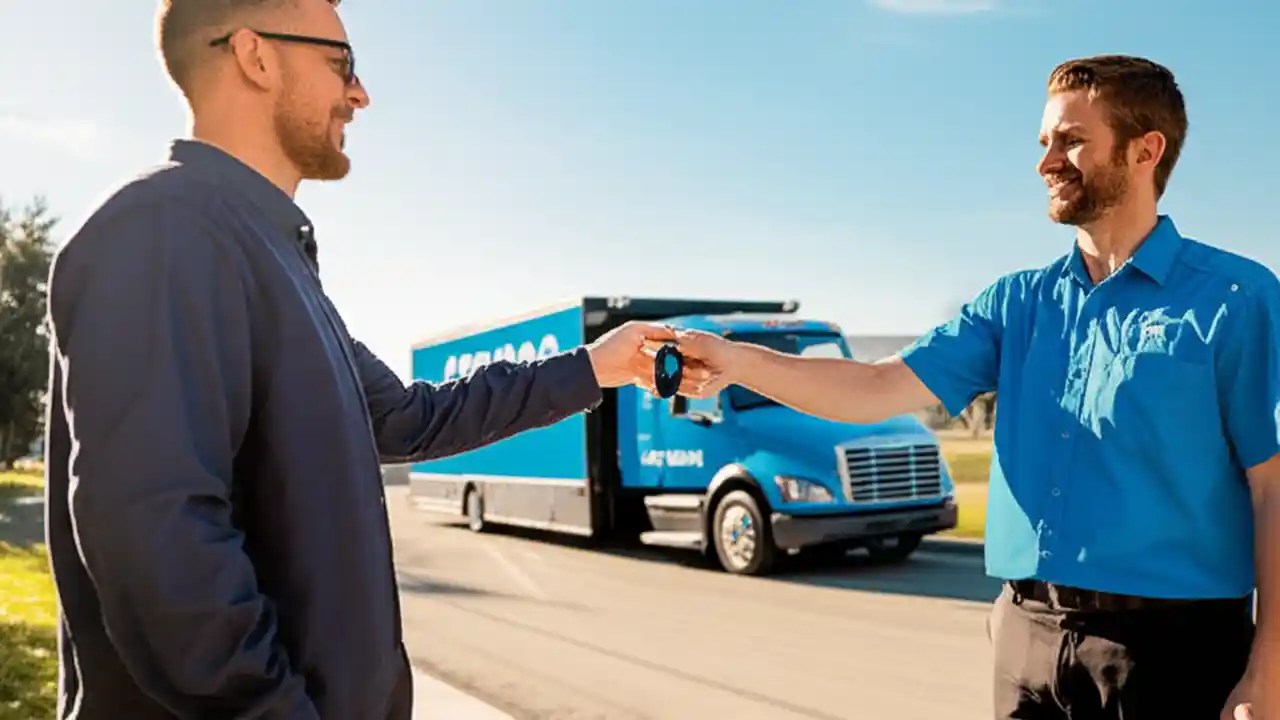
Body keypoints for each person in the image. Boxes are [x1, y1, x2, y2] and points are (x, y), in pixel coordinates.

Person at [42, 1, 707, 718]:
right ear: (255, 57)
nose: (359, 94)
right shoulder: (164, 231)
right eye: (342, 64)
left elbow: (408, 418)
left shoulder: (267, 255)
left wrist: (596, 367)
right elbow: (156, 538)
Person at [671, 55, 1279, 719]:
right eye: (1045, 142)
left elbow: (1273, 489)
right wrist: (735, 361)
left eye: (1071, 140)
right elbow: (874, 385)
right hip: (1027, 638)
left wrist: (1269, 669)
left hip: (1173, 654)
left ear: (1145, 150)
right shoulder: (1016, 303)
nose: (1047, 162)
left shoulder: (1236, 298)